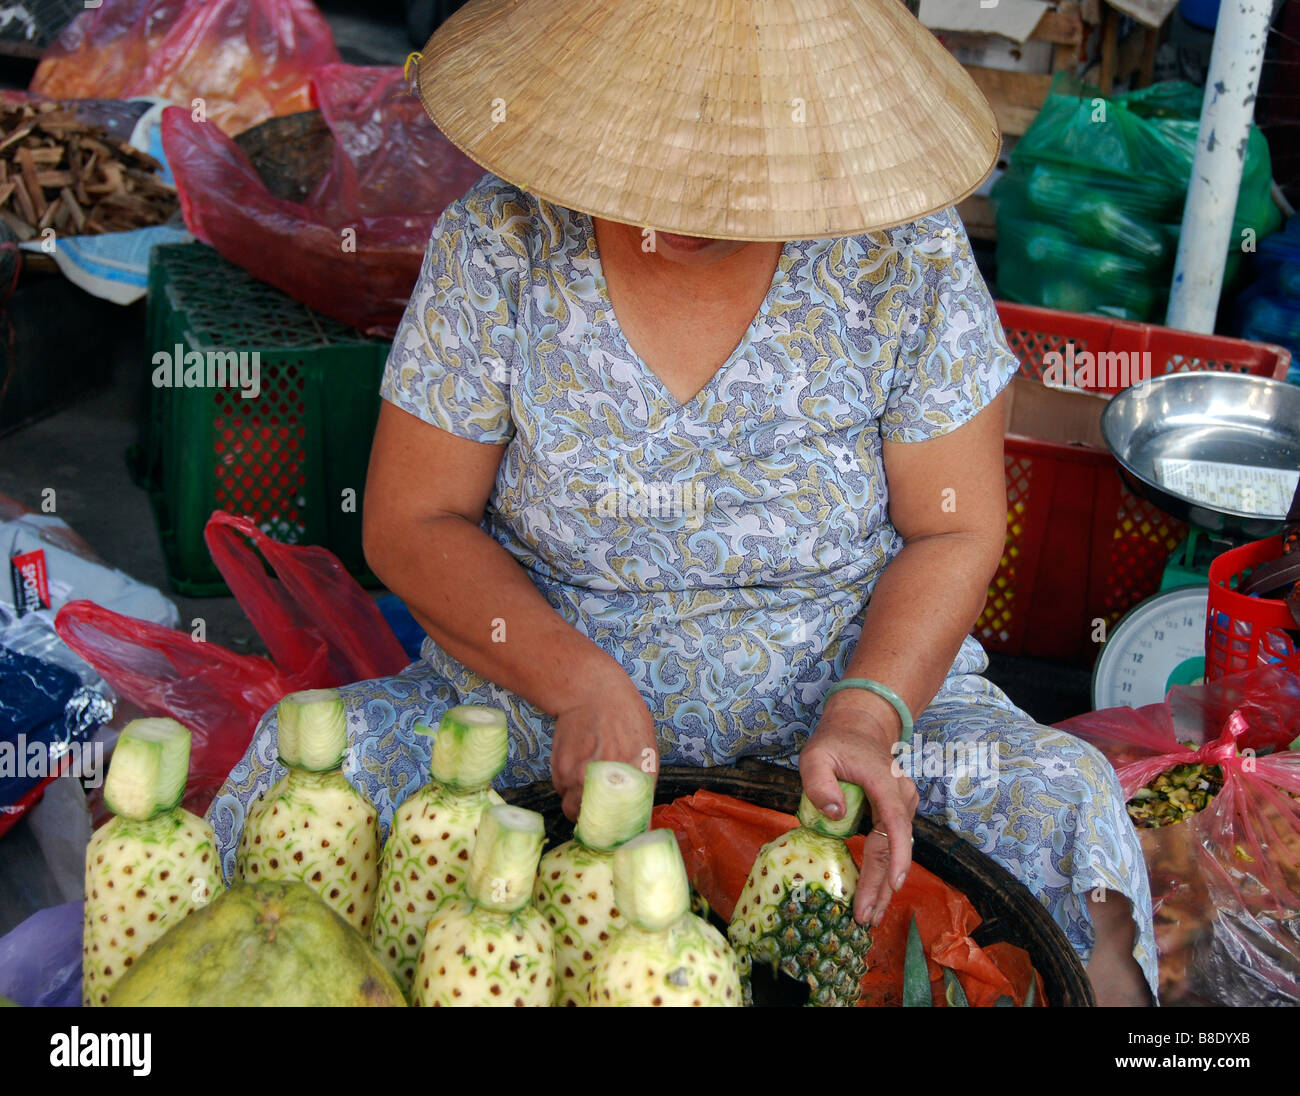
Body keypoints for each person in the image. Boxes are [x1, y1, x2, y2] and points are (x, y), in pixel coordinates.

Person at [208, 0, 1157, 1004]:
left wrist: (867, 714)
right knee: (299, 781)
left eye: (739, 158)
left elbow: (955, 525)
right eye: (662, 150)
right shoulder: (500, 243)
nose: (696, 198)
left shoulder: (903, 260)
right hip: (537, 708)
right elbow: (411, 520)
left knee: (1064, 807)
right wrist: (574, 682)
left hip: (836, 709)